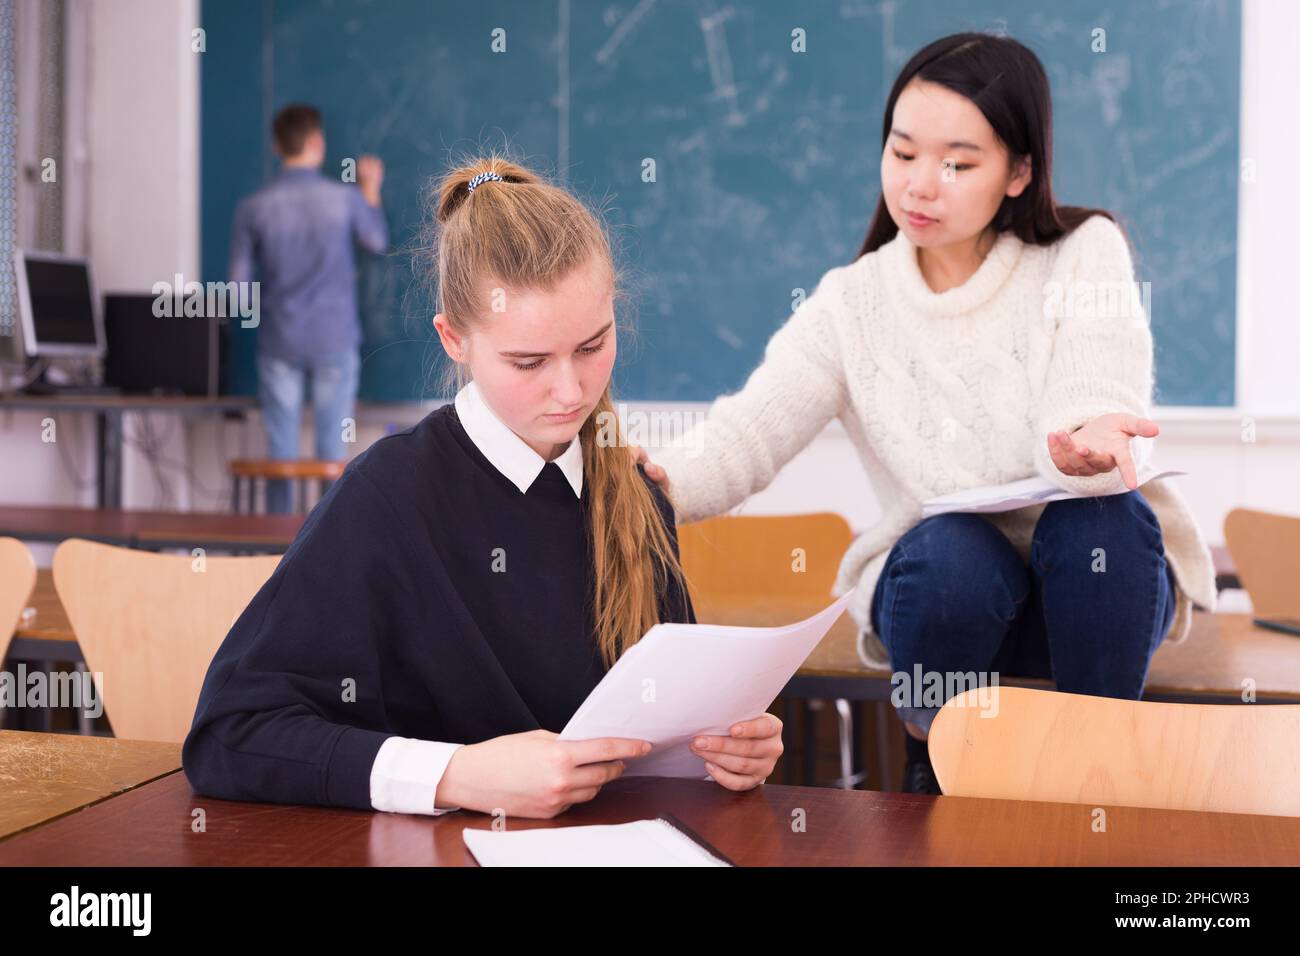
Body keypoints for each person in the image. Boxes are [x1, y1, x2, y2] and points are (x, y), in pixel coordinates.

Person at [640, 33, 1217, 793]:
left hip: (1092, 606)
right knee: (950, 550)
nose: (919, 184)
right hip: (949, 612)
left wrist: (1083, 442)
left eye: (957, 163)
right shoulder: (853, 303)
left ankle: (1102, 782)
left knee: (1098, 521)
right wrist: (647, 481)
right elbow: (748, 434)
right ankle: (936, 769)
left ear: (1019, 173)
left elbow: (1093, 383)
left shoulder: (1083, 249)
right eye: (902, 152)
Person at [185, 157, 784, 819]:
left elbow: (668, 725)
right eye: (529, 362)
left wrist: (725, 752)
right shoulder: (387, 497)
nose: (570, 391)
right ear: (454, 340)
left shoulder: (637, 492)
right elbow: (231, 736)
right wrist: (456, 774)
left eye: (593, 345)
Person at [228, 103, 388, 513]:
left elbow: (238, 289)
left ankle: (277, 551)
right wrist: (370, 192)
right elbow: (375, 242)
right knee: (330, 454)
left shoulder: (254, 207)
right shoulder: (345, 199)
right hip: (334, 338)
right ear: (317, 142)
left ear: (277, 146)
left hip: (281, 338)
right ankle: (326, 547)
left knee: (281, 453)